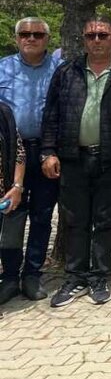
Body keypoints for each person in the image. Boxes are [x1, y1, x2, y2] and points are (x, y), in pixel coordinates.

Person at [40, 16, 111, 307]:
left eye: (102, 35)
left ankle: (99, 276)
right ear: (84, 39)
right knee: (74, 220)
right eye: (91, 35)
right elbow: (51, 114)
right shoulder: (67, 71)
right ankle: (75, 277)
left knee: (106, 220)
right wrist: (48, 151)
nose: (96, 40)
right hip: (72, 158)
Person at [0, 17, 60, 304]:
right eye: (25, 34)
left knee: (42, 215)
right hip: (11, 153)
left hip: (47, 151)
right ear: (17, 38)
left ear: (47, 39)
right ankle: (10, 276)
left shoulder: (59, 69)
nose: (31, 38)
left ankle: (32, 274)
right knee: (11, 214)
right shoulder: (3, 68)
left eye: (37, 34)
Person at [0, 99, 25, 316]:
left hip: (3, 193)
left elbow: (19, 151)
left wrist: (17, 186)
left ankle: (10, 281)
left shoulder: (3, 112)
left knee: (7, 243)